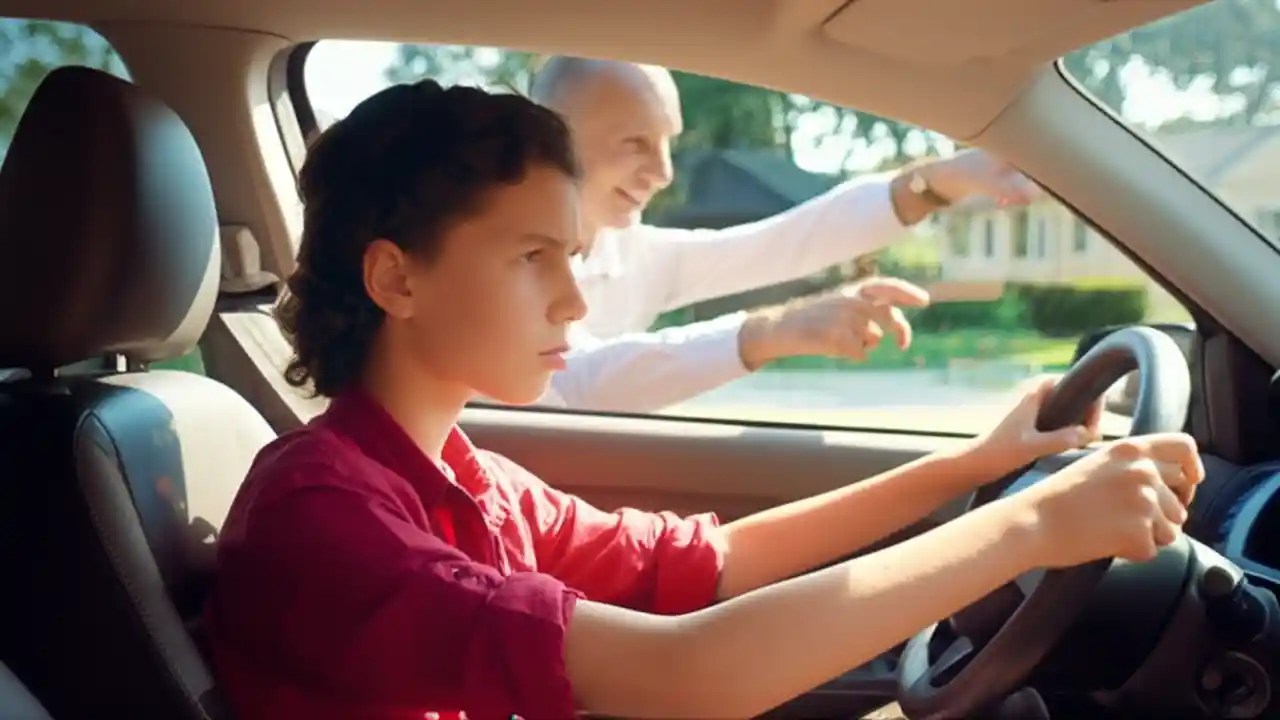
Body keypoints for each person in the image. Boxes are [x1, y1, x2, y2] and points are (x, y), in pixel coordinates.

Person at [205, 80, 1203, 720]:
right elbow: (687, 673)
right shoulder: (324, 516)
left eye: (577, 255)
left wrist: (973, 469)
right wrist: (1029, 527)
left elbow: (710, 564)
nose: (575, 296)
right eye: (530, 257)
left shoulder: (470, 482)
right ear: (397, 279)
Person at [527, 57, 1043, 412]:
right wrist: (777, 330)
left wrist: (941, 181)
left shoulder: (630, 251)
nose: (663, 172)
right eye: (635, 142)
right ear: (549, 137)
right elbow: (576, 382)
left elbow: (784, 242)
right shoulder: (494, 258)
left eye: (667, 143)